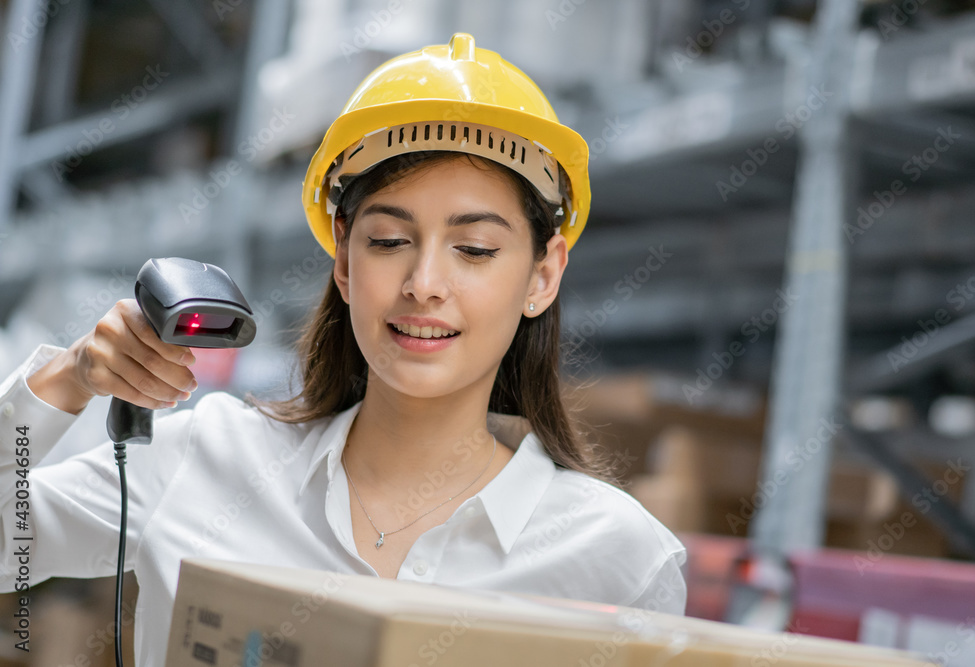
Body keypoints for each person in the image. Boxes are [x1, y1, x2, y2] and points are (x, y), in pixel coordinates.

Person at [0, 33, 685, 667]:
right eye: (388, 240)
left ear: (543, 274)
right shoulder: (208, 458)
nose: (424, 285)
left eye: (474, 250)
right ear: (345, 264)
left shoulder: (617, 559)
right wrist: (66, 378)